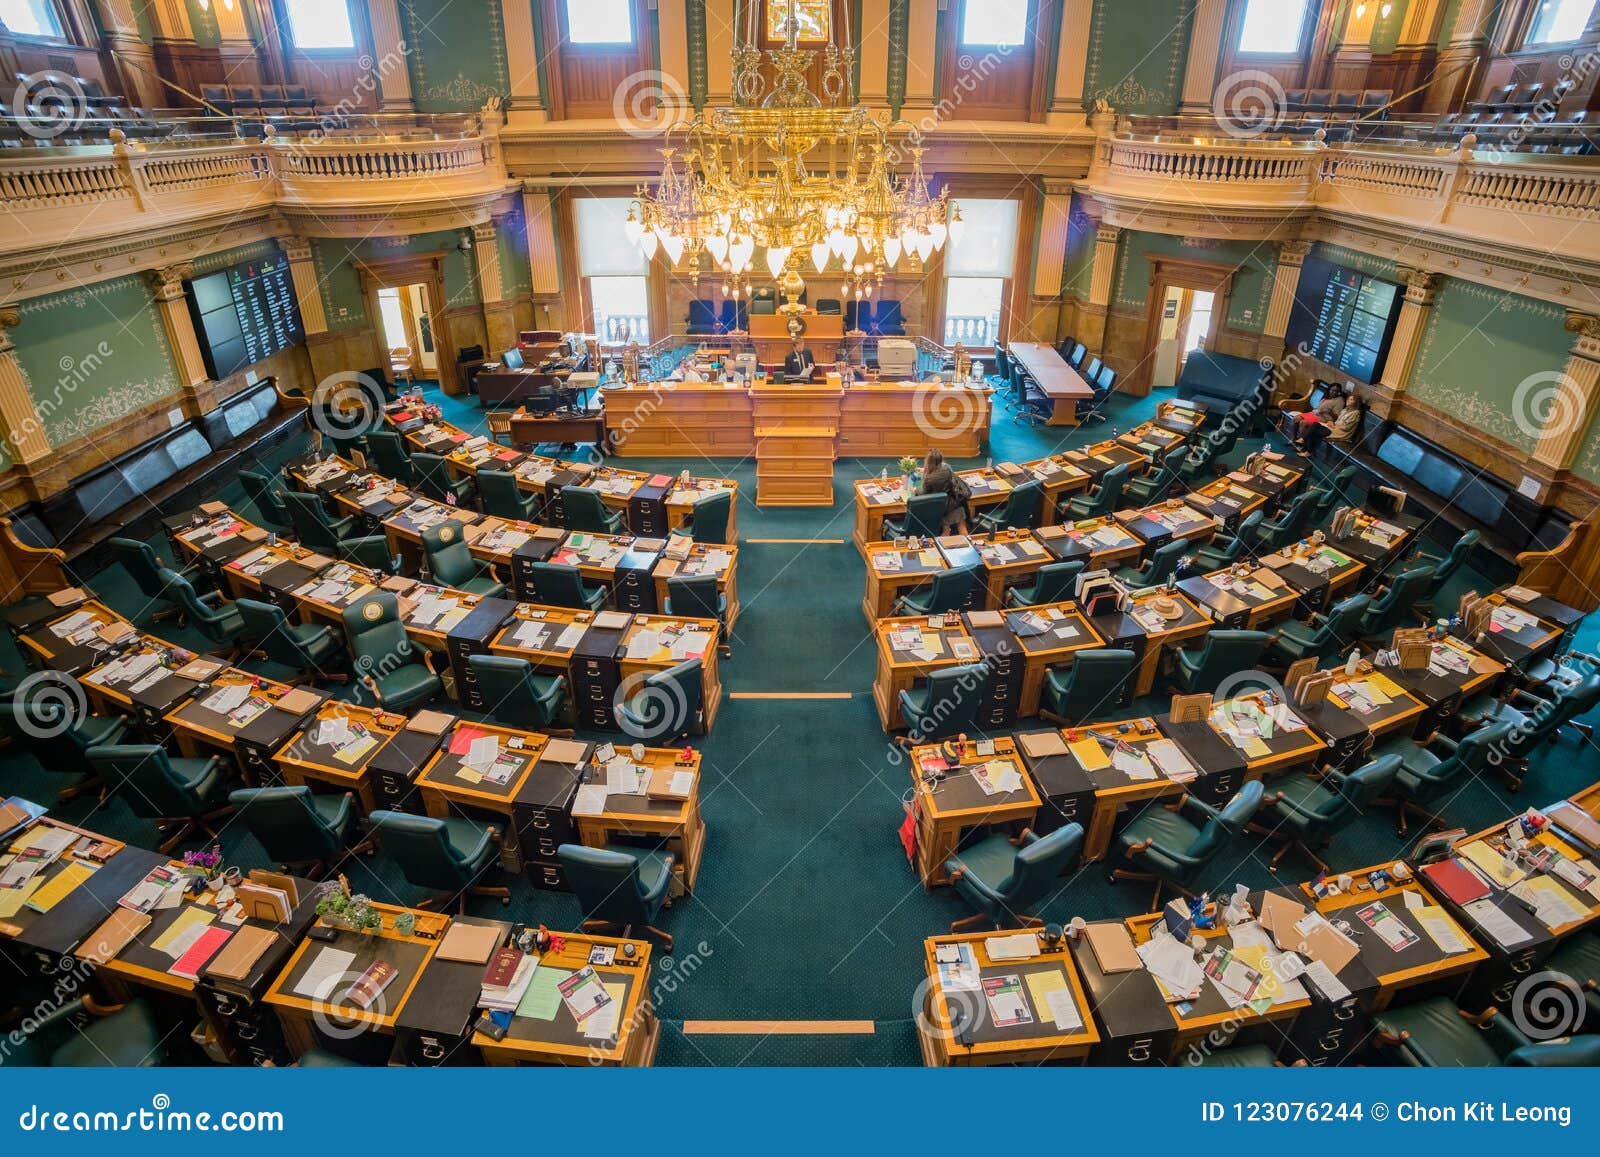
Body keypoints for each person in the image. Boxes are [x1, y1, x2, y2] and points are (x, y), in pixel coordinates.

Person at [918, 448, 970, 535]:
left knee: (946, 531)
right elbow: (941, 473)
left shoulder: (929, 480)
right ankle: (969, 545)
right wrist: (924, 470)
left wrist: (916, 491)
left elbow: (924, 494)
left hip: (942, 508)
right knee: (962, 527)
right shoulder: (947, 467)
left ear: (928, 462)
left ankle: (943, 545)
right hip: (957, 502)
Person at [1290, 382, 1345, 448]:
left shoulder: (1339, 400)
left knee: (1303, 422)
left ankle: (1302, 445)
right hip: (1314, 413)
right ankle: (1293, 440)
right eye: (1332, 390)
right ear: (1329, 389)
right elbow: (1317, 408)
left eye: (1336, 391)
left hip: (1324, 418)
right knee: (1295, 419)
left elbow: (1336, 416)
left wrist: (1327, 412)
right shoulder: (1326, 396)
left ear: (1339, 392)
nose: (1334, 392)